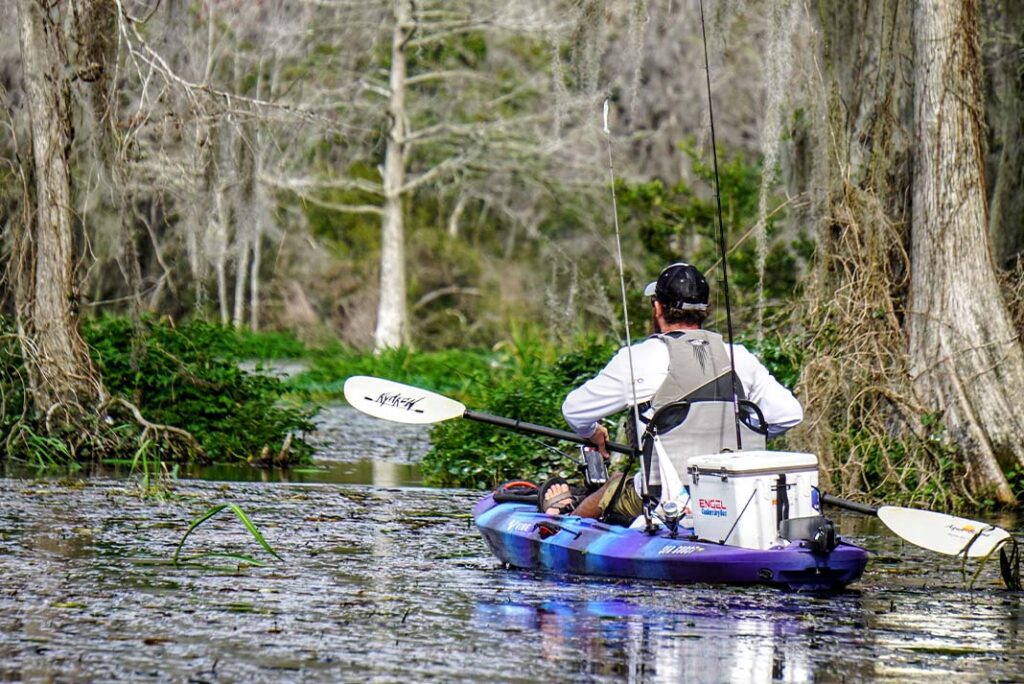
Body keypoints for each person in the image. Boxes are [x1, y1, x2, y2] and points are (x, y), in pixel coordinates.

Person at [539, 262, 803, 520]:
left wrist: (593, 433)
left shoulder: (637, 358)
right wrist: (748, 431)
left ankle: (564, 517)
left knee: (614, 485)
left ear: (657, 307)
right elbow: (789, 414)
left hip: (663, 502)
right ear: (705, 310)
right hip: (735, 498)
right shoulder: (740, 357)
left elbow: (573, 411)